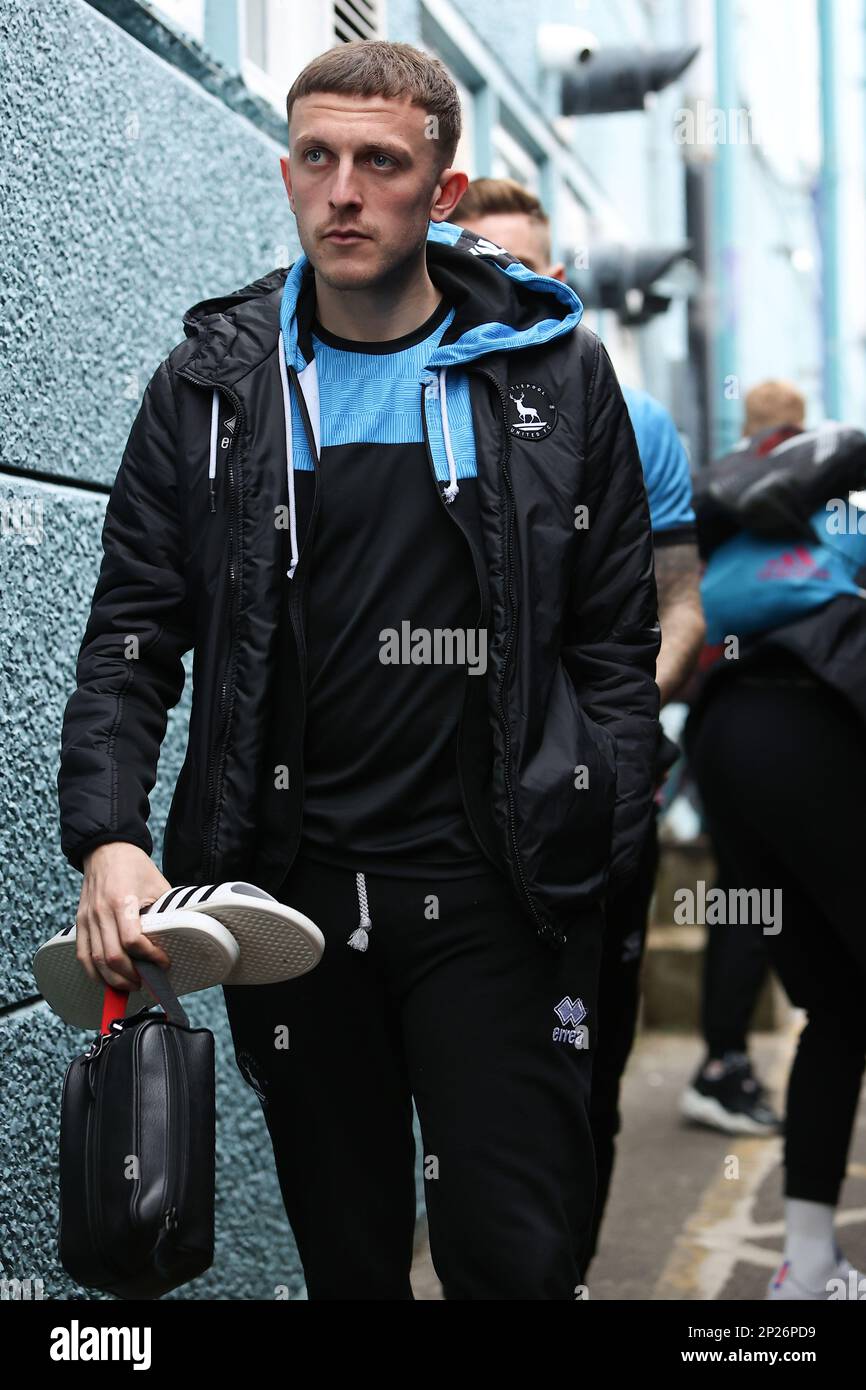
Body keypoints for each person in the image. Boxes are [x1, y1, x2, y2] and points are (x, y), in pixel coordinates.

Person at [56, 42, 660, 1299]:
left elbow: (611, 644)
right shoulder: (212, 388)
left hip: (497, 898)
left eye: (379, 163)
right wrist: (109, 835)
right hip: (289, 908)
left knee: (515, 1254)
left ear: (439, 192)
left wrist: (601, 828)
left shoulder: (549, 376)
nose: (342, 191)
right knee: (350, 1256)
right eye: (317, 160)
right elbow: (131, 630)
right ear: (285, 173)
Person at [454, 177, 706, 1269]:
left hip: (594, 798)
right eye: (481, 266)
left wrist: (605, 739)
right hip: (446, 818)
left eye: (526, 269)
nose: (504, 290)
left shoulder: (627, 416)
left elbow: (680, 598)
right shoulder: (423, 400)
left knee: (582, 1061)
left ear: (556, 279)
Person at [685, 379, 866, 1299]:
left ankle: (809, 1267)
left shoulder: (755, 492)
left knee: (839, 1010)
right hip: (818, 728)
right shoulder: (845, 492)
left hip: (728, 733)